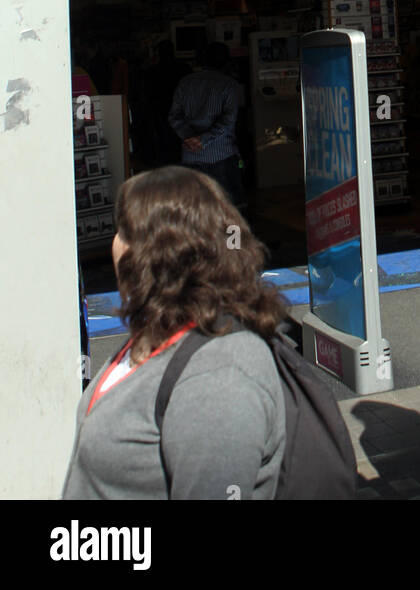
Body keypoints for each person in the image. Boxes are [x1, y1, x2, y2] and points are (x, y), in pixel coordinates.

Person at [62, 166, 286, 500]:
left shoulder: (221, 374)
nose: (115, 243)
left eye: (124, 231)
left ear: (159, 254)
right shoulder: (158, 333)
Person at [168, 41, 242, 203]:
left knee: (196, 206)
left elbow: (174, 116)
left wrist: (189, 138)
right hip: (221, 155)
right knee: (226, 206)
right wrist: (203, 139)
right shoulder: (229, 85)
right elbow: (228, 120)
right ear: (226, 62)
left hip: (190, 155)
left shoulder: (185, 82)